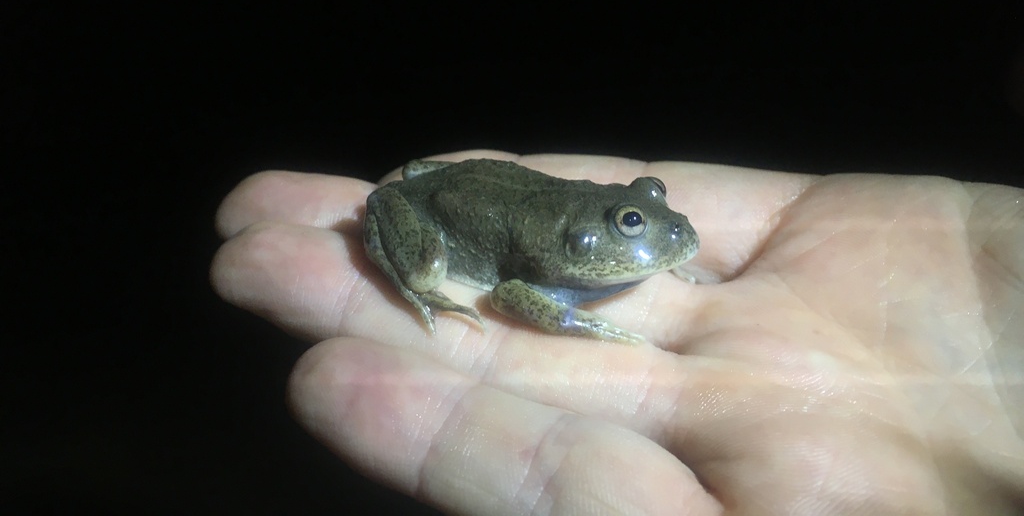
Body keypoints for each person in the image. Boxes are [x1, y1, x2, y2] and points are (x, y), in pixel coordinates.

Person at [211, 151, 1024, 514]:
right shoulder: (554, 259)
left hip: (476, 182)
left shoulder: (618, 234)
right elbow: (516, 296)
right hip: (437, 206)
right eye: (637, 220)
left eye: (649, 203)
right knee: (425, 274)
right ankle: (412, 285)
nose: (661, 228)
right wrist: (573, 322)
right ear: (601, 232)